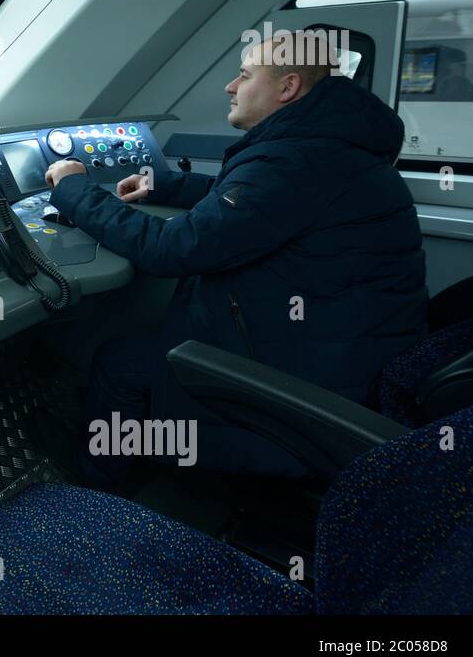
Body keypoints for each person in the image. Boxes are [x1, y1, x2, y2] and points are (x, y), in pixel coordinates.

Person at [40, 30, 428, 484]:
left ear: (288, 88)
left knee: (119, 364)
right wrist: (163, 186)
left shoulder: (291, 160)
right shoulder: (329, 145)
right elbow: (255, 202)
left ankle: (96, 499)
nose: (230, 86)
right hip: (340, 360)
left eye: (244, 75)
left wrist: (72, 188)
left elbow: (170, 249)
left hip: (306, 393)